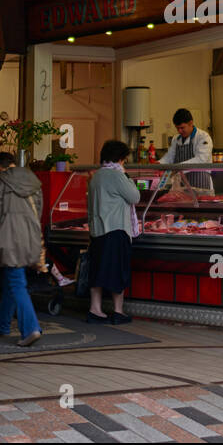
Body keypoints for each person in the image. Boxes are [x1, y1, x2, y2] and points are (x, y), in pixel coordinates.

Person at [0, 151, 45, 347]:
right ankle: (2, 324)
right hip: (31, 235)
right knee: (13, 279)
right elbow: (40, 210)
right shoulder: (34, 180)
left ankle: (31, 328)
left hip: (9, 235)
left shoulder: (0, 182)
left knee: (17, 282)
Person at [85, 139, 140, 325]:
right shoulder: (117, 175)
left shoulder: (96, 176)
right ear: (120, 159)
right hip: (116, 229)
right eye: (124, 159)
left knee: (97, 271)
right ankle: (118, 311)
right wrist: (127, 177)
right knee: (118, 271)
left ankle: (95, 309)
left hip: (97, 231)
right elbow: (135, 196)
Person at [157, 107, 213, 191]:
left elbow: (201, 160)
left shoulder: (203, 137)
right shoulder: (176, 139)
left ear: (191, 123)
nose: (179, 131)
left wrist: (176, 168)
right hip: (182, 185)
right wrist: (159, 163)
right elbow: (169, 157)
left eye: (182, 128)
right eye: (177, 128)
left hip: (200, 184)